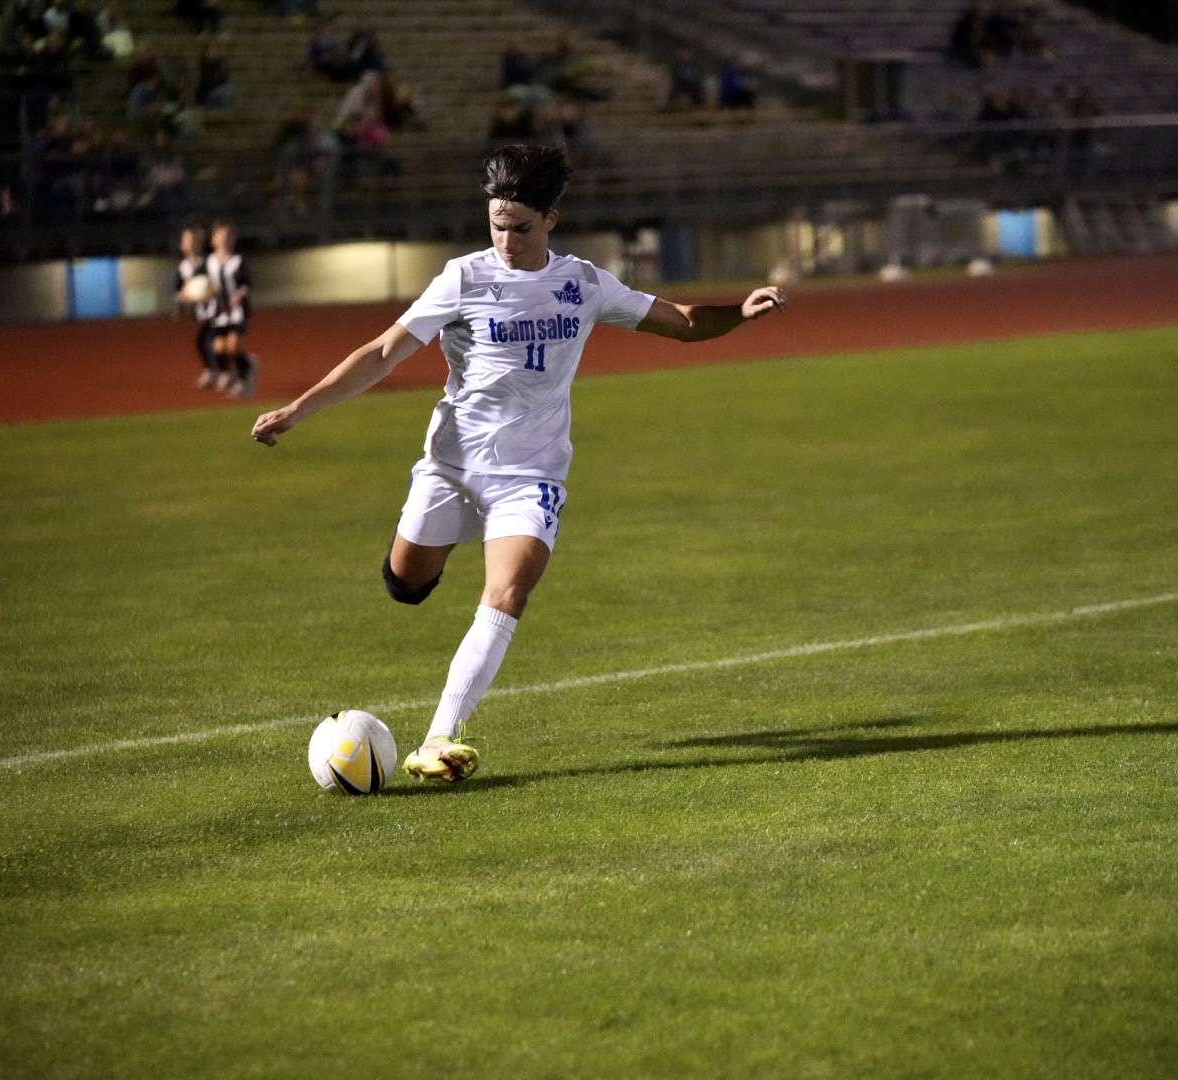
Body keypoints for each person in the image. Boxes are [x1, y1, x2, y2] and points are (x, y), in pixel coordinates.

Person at [249, 144, 786, 783]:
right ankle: (425, 566)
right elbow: (385, 350)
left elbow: (686, 321)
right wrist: (299, 410)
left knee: (507, 592)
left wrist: (739, 315)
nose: (506, 238)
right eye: (497, 223)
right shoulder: (463, 278)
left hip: (531, 475)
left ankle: (438, 737)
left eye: (520, 226)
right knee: (406, 584)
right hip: (450, 466)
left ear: (551, 219)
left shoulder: (583, 284)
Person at [205, 221, 258, 396]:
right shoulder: (210, 262)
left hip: (238, 311)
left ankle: (244, 380)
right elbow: (205, 284)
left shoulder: (238, 261)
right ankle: (234, 370)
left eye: (228, 237)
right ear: (213, 240)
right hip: (218, 311)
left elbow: (247, 283)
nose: (224, 240)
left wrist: (239, 295)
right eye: (221, 237)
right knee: (219, 348)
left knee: (233, 346)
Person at [173, 224, 220, 388]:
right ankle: (215, 371)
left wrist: (208, 290)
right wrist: (181, 305)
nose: (190, 243)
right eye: (187, 240)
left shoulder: (210, 262)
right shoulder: (183, 266)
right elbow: (178, 290)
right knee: (204, 343)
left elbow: (216, 284)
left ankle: (217, 372)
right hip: (199, 313)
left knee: (209, 342)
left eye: (193, 240)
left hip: (216, 310)